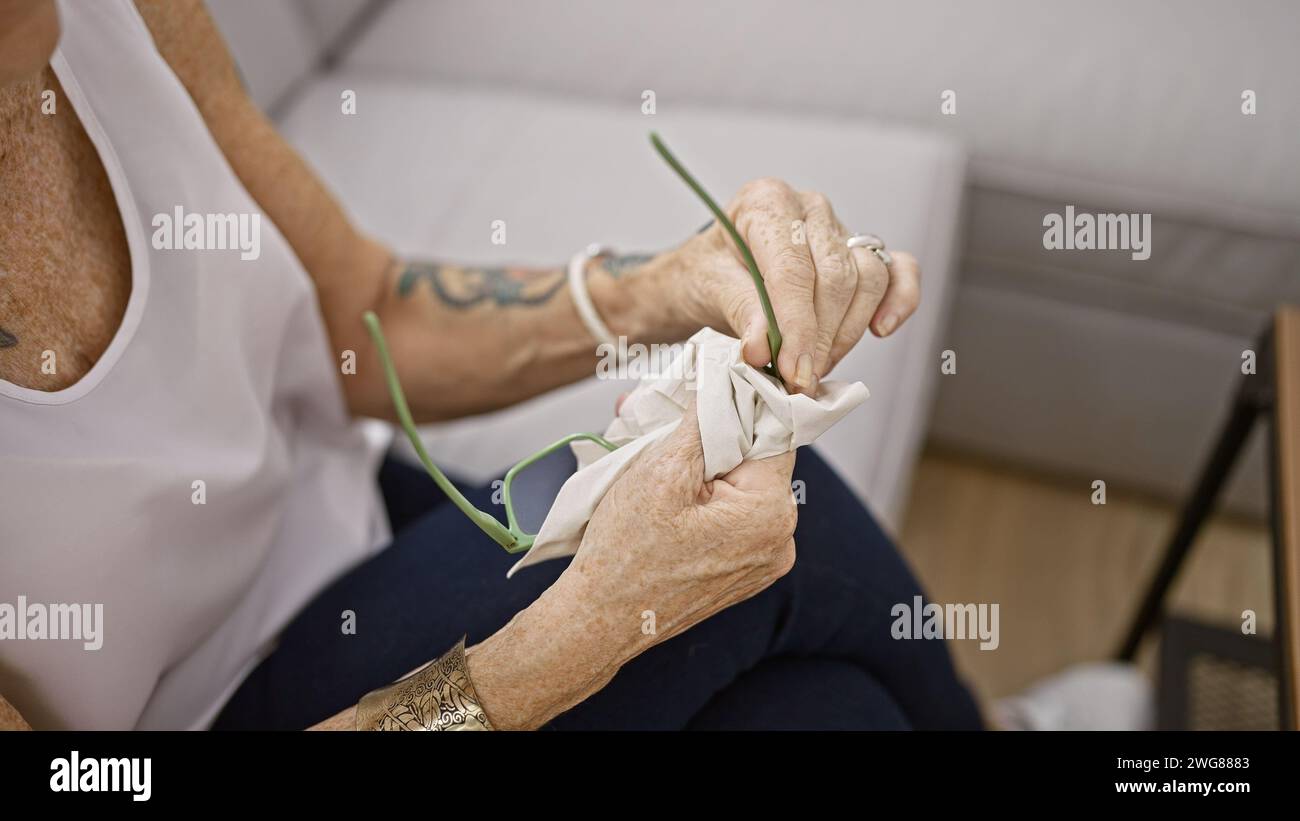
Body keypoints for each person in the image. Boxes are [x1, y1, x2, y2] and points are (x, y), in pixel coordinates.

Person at [0, 0, 981, 731]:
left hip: (357, 514)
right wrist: (588, 628)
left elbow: (366, 313)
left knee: (827, 713)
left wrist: (672, 281)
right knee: (794, 520)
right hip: (211, 708)